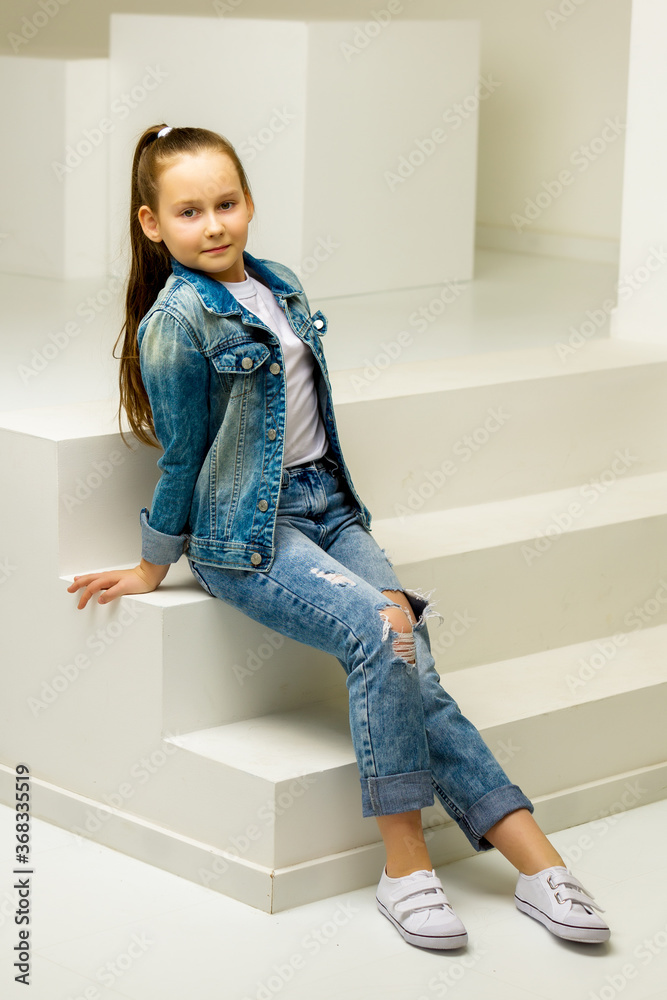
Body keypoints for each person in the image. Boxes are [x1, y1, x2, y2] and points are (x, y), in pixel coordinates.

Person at [67, 124, 610, 950]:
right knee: (382, 631)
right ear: (152, 224)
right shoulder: (175, 320)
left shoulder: (280, 285)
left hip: (330, 507)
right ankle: (407, 868)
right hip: (245, 533)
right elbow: (181, 456)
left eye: (226, 203)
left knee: (410, 654)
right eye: (188, 212)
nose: (212, 225)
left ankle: (537, 867)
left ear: (249, 203)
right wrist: (153, 562)